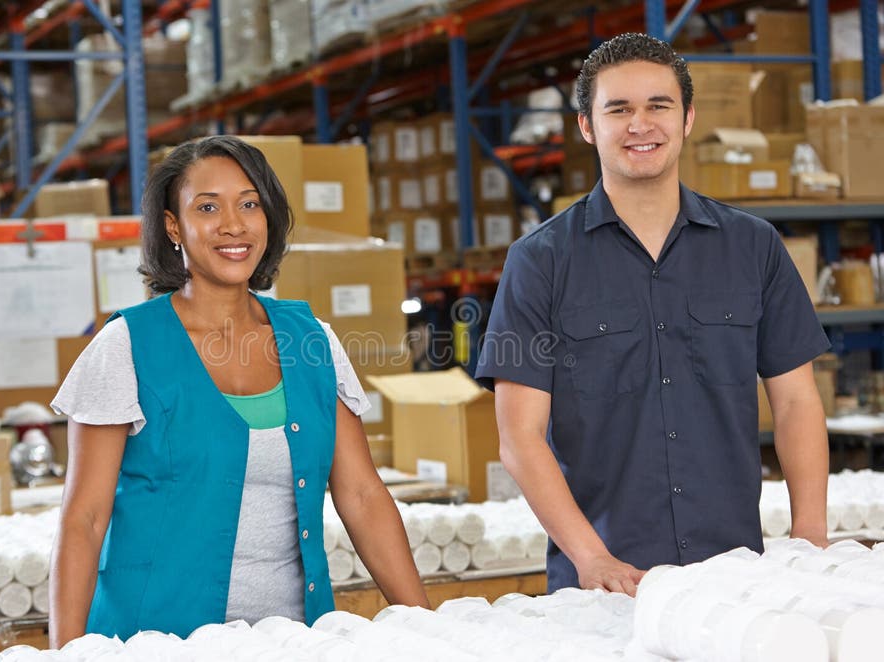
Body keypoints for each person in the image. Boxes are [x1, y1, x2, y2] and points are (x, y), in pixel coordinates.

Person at [475, 33, 830, 597]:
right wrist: (592, 559)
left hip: (734, 577)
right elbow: (519, 437)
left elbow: (796, 401)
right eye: (619, 109)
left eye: (658, 106)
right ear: (587, 126)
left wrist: (810, 535)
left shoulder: (753, 247)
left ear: (687, 118)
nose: (641, 125)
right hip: (604, 587)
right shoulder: (539, 261)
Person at [48, 135, 429, 646]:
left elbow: (361, 495)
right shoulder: (126, 347)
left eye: (249, 204)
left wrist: (429, 629)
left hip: (292, 641)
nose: (233, 224)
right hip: (156, 645)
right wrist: (67, 656)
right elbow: (85, 520)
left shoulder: (312, 340)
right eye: (208, 207)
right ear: (172, 226)